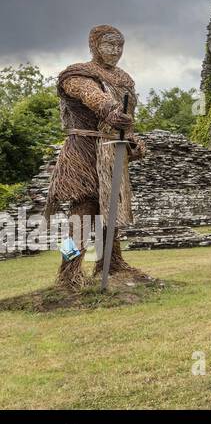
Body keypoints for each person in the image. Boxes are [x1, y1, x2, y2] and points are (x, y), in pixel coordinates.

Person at [44, 25, 149, 288]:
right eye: (108, 45)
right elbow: (90, 95)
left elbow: (126, 122)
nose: (115, 51)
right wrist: (111, 110)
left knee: (109, 212)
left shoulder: (124, 78)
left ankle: (110, 263)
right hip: (83, 150)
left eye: (119, 46)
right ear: (94, 45)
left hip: (111, 150)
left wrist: (132, 140)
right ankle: (68, 271)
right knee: (82, 213)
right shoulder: (78, 73)